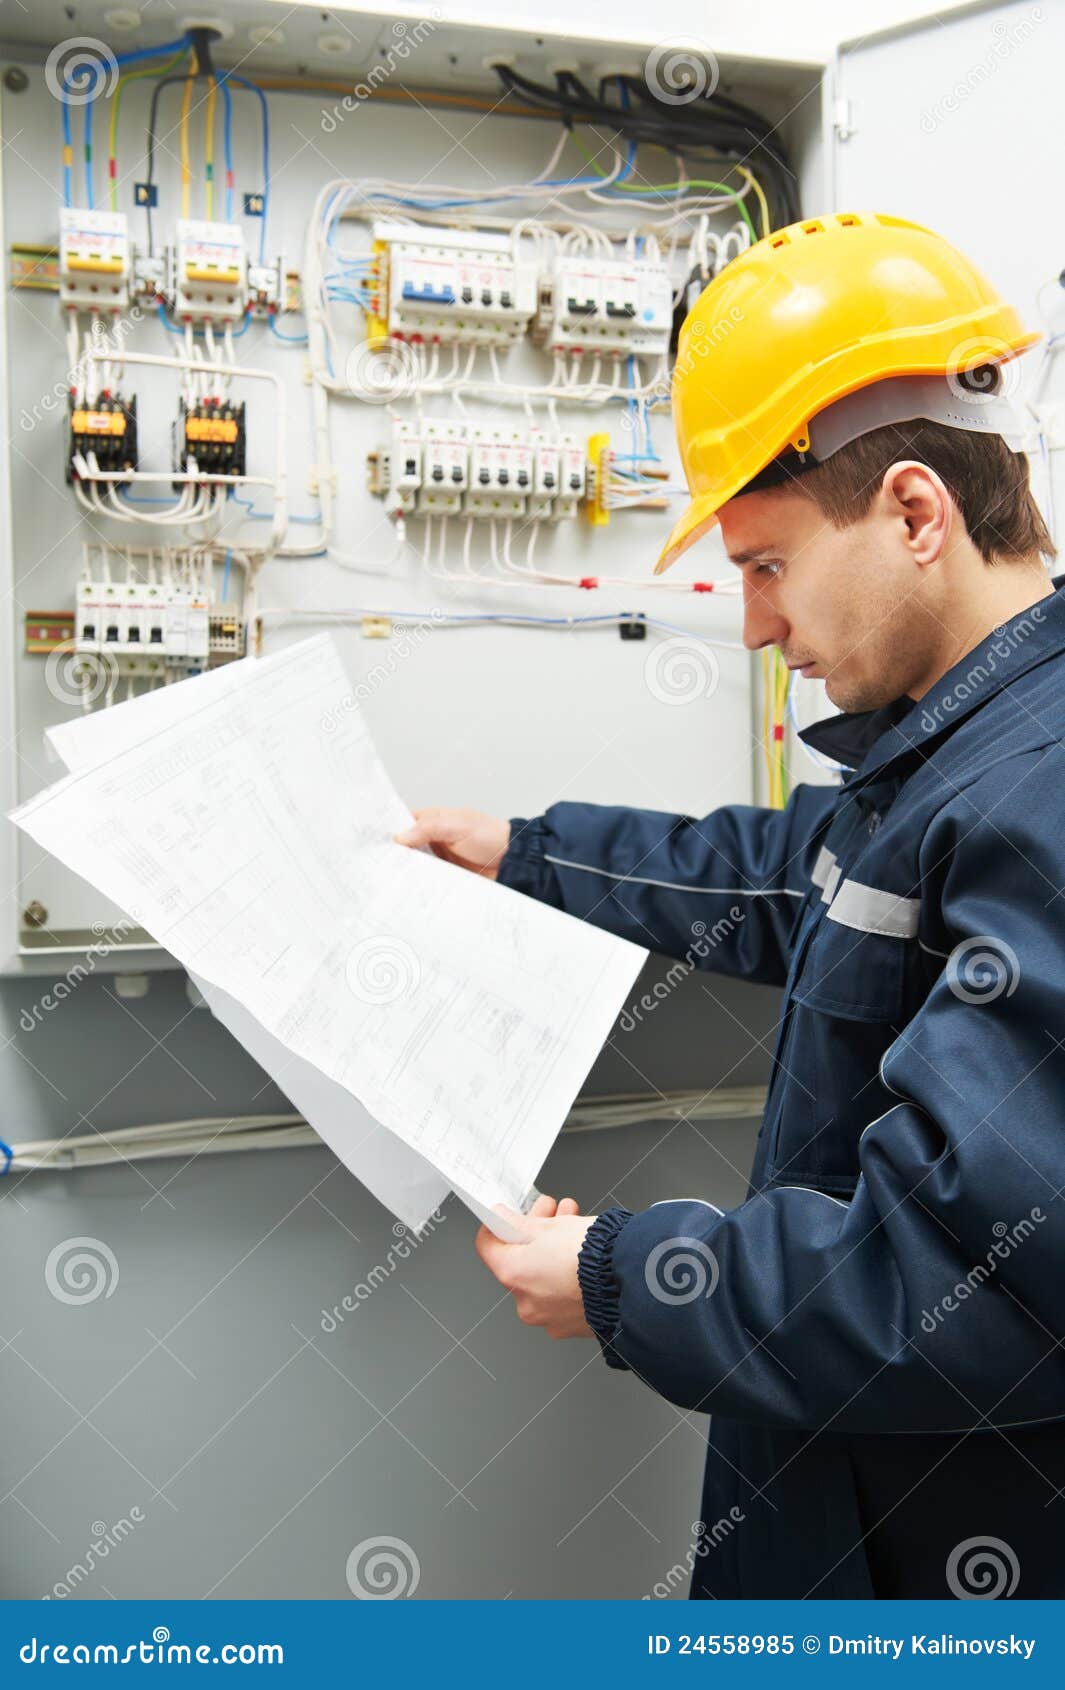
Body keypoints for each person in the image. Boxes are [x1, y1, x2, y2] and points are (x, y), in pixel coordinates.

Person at [397, 213, 1065, 1599]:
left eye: (762, 565)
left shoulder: (1038, 791)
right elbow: (783, 879)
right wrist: (524, 850)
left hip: (948, 1543)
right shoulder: (951, 753)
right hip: (859, 1493)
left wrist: (624, 1274)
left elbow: (980, 1278)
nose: (754, 625)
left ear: (913, 515)